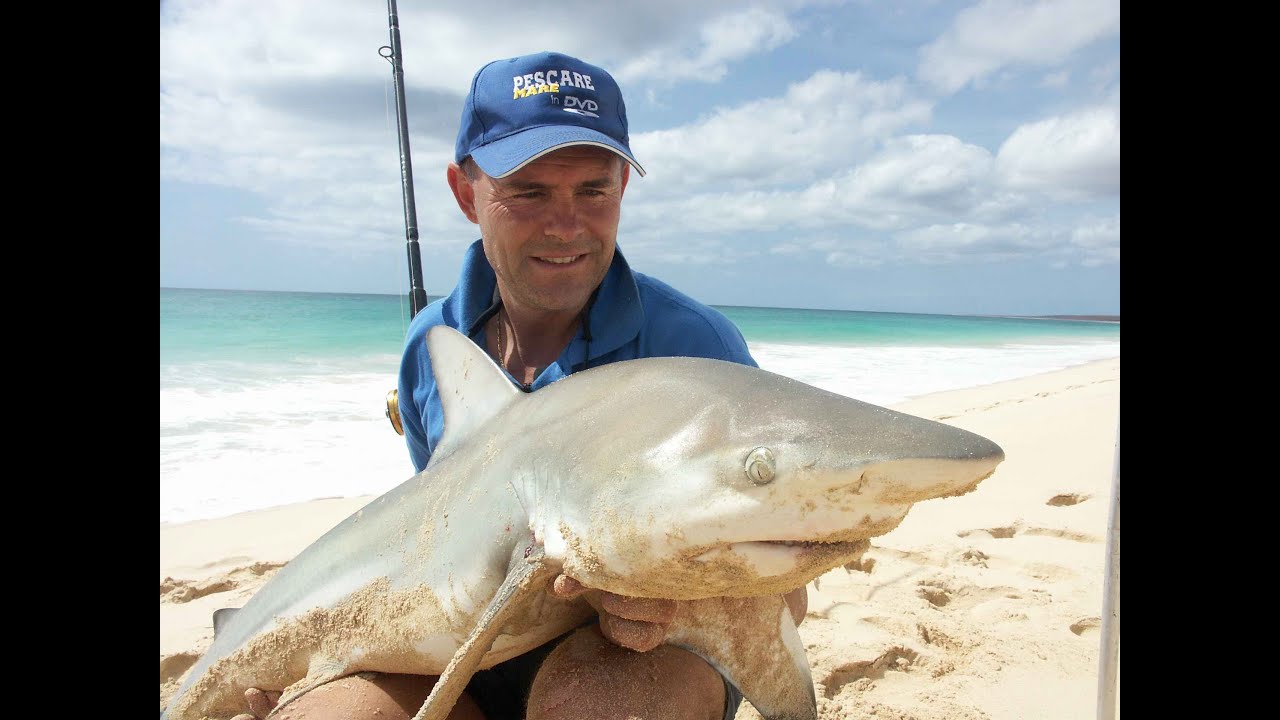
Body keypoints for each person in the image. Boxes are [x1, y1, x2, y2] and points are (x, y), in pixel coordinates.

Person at [234, 50, 806, 720]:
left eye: (593, 190)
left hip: (647, 659)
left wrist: (684, 601)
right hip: (469, 648)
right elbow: (437, 538)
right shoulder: (432, 348)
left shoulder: (693, 350)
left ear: (623, 185)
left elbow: (790, 594)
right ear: (463, 192)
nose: (566, 224)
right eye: (529, 192)